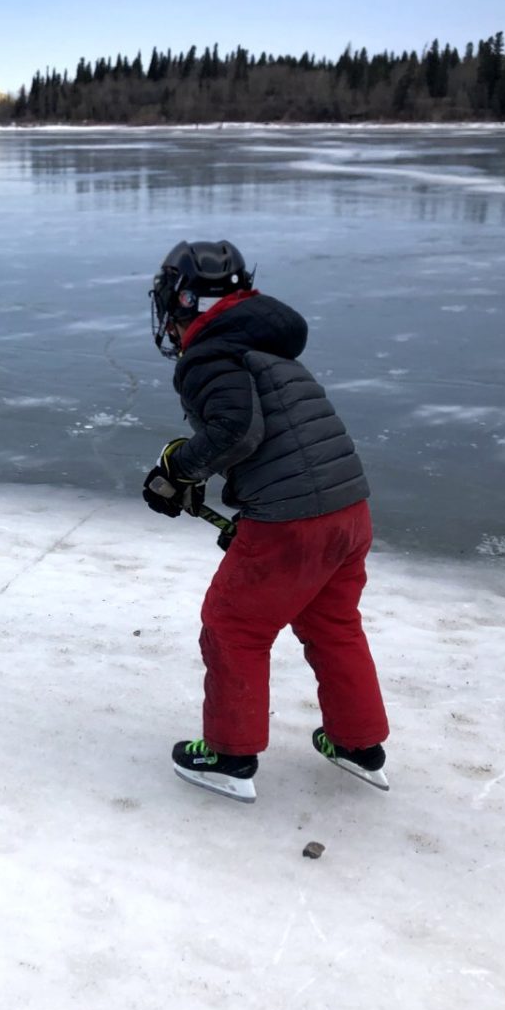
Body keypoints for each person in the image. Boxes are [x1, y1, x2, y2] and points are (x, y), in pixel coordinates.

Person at [141, 239, 390, 804]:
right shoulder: (263, 347)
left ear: (181, 302)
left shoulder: (211, 355)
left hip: (292, 523)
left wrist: (178, 468)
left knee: (233, 626)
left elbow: (236, 431)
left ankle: (228, 758)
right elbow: (266, 436)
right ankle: (358, 745)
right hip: (348, 511)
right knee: (333, 625)